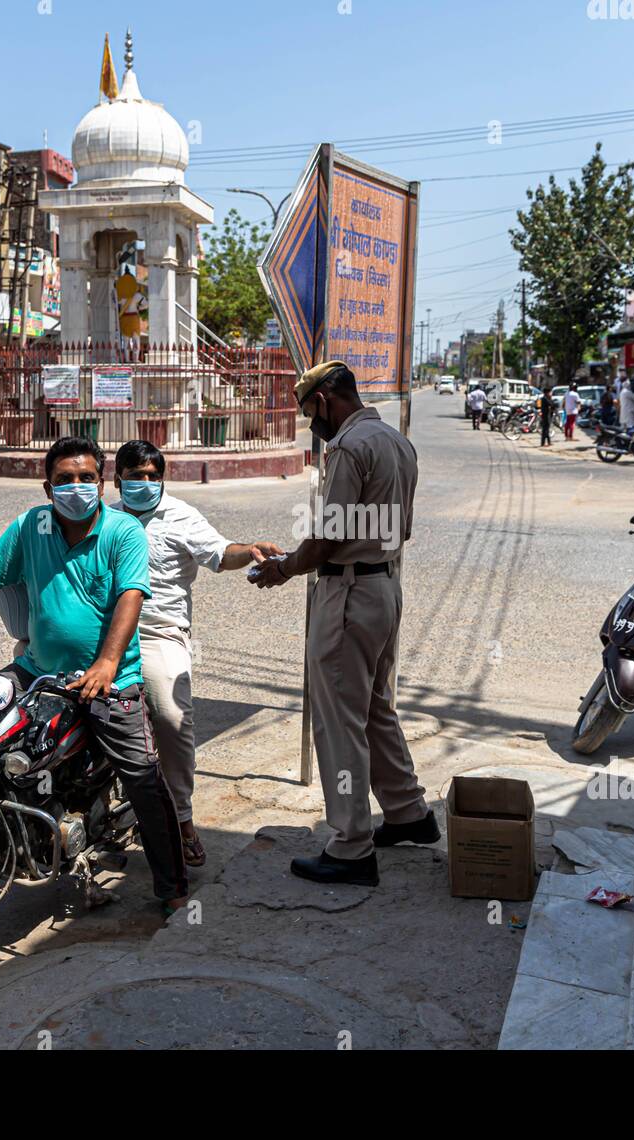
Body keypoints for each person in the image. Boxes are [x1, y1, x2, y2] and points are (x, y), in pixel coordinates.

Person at [0, 437, 189, 913]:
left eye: (87, 478)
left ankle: (172, 887)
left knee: (143, 776)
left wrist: (108, 663)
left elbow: (130, 597)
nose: (77, 487)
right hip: (36, 669)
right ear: (47, 486)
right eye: (65, 480)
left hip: (110, 677)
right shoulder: (30, 525)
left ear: (100, 480)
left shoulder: (124, 531)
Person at [249, 360, 434, 887]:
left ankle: (351, 846)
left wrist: (285, 567)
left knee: (338, 719)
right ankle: (408, 812)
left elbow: (329, 535)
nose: (313, 424)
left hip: (349, 592)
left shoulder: (351, 447)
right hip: (384, 585)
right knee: (374, 706)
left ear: (327, 398)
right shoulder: (396, 441)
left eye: (311, 412)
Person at [109, 440, 283, 867]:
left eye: (154, 476)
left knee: (171, 715)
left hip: (158, 634)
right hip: (104, 633)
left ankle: (182, 819)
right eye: (136, 476)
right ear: (118, 480)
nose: (146, 483)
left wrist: (251, 550)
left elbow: (220, 554)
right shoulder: (103, 517)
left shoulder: (181, 516)